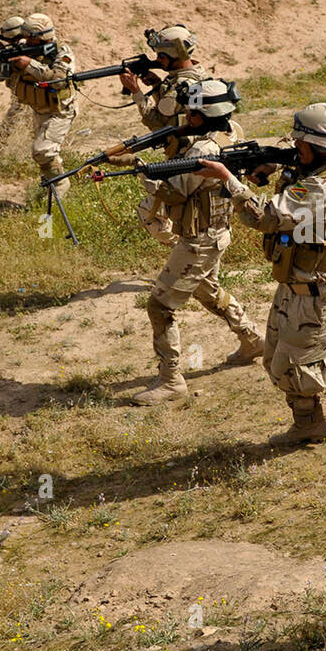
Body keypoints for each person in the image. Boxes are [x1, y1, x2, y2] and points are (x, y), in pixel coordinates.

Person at [198, 103, 326, 444]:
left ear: (317, 148)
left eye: (300, 145)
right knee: (276, 363)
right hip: (294, 284)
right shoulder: (322, 163)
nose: (295, 148)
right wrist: (273, 161)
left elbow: (264, 217)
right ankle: (309, 426)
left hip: (318, 292)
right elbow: (289, 153)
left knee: (298, 370)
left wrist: (227, 179)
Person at [129, 79, 265, 406]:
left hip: (199, 239)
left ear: (204, 114)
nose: (185, 115)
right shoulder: (229, 130)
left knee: (160, 306)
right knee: (207, 290)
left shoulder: (204, 150)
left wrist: (146, 178)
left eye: (191, 111)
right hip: (215, 230)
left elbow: (175, 192)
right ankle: (252, 339)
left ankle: (171, 380)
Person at [120, 25, 206, 247]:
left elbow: (156, 122)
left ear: (174, 54)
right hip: (197, 154)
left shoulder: (179, 85)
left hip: (183, 160)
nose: (157, 60)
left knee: (149, 211)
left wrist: (136, 92)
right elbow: (180, 111)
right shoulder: (197, 75)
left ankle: (182, 250)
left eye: (161, 55)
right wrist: (158, 86)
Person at [0, 13, 77, 194]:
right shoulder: (24, 48)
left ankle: (61, 186)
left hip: (60, 110)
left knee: (42, 151)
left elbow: (58, 80)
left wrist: (29, 65)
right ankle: (49, 186)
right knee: (45, 154)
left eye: (29, 38)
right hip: (39, 109)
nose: (25, 41)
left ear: (40, 37)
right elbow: (5, 76)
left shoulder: (62, 52)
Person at [0, 16, 29, 149]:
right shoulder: (14, 49)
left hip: (27, 99)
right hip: (20, 97)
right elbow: (3, 76)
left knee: (2, 134)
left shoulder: (24, 48)